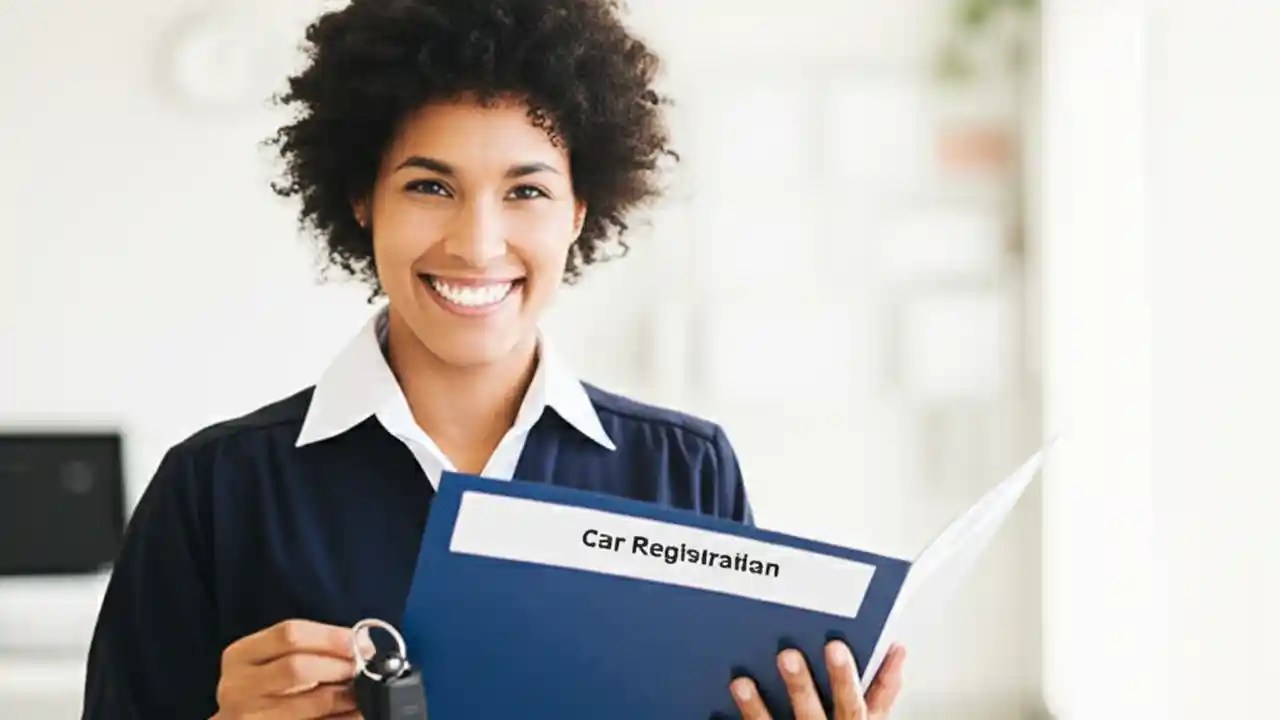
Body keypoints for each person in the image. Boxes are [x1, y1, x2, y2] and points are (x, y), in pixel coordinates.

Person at [81, 1, 907, 718]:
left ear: (579, 211)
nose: (477, 244)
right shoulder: (214, 491)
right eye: (429, 186)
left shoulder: (684, 473)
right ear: (362, 198)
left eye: (527, 191)